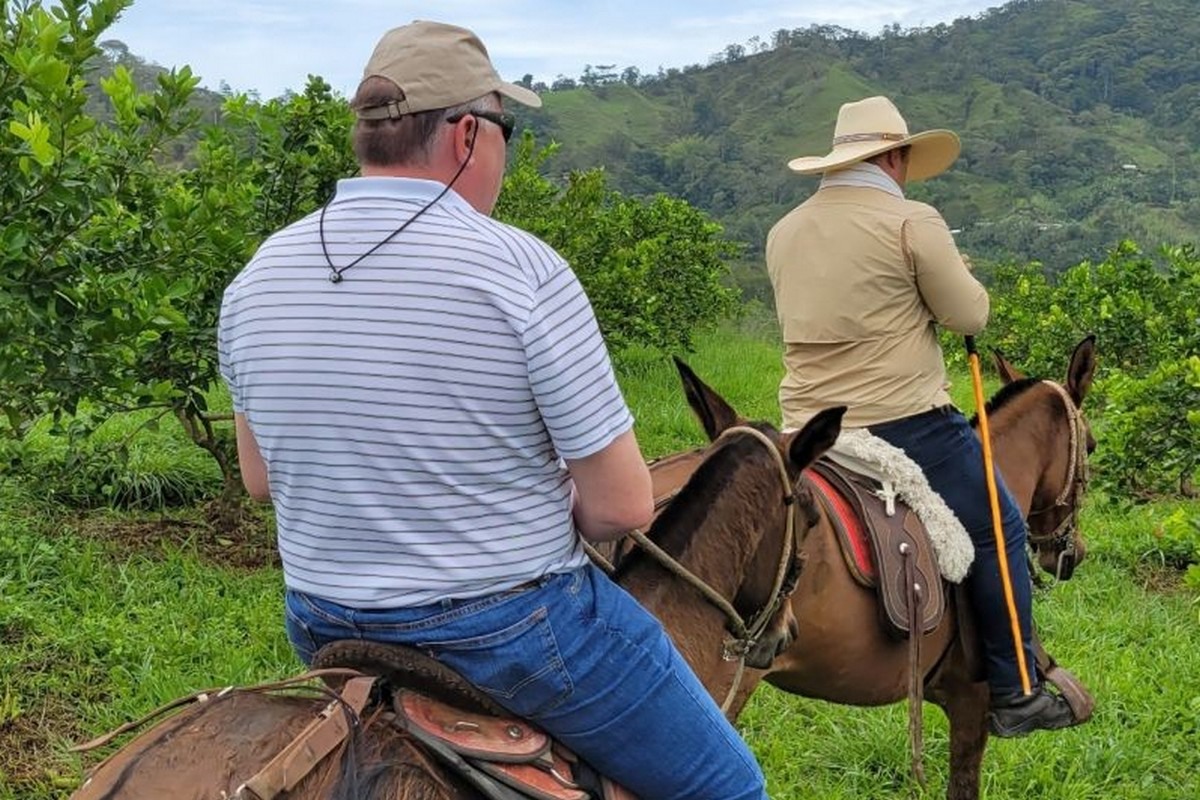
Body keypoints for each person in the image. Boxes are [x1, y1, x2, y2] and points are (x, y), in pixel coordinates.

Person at [217, 20, 769, 799]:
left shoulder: (257, 276)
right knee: (729, 787)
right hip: (511, 634)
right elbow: (620, 507)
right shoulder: (520, 268)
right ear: (468, 134)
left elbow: (262, 480)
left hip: (325, 620)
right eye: (507, 130)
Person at [766, 95, 1084, 737]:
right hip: (903, 420)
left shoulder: (784, 230)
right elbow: (969, 316)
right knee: (1002, 528)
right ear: (894, 156)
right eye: (905, 156)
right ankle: (1017, 688)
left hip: (807, 426)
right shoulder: (913, 221)